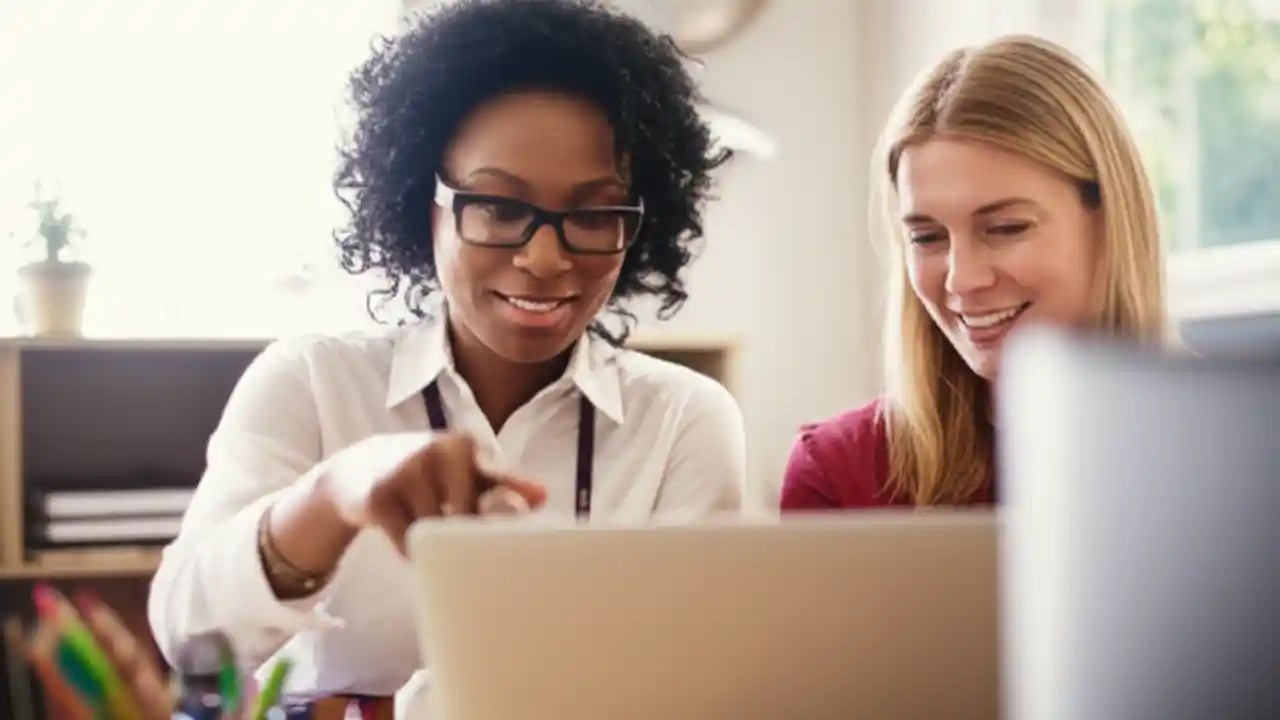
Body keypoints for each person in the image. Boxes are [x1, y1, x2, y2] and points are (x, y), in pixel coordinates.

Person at [149, 0, 746, 706]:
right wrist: (334, 492)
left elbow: (690, 683)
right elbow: (189, 639)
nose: (544, 257)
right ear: (423, 204)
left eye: (591, 214)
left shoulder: (682, 421)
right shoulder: (311, 381)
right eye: (498, 207)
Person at [781, 34, 1167, 510]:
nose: (961, 280)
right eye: (927, 237)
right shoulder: (840, 473)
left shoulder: (1236, 451)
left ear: (1110, 220)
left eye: (1005, 228)